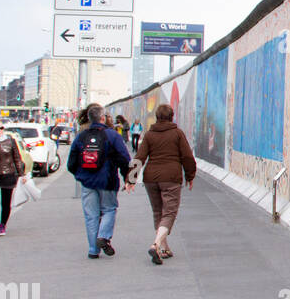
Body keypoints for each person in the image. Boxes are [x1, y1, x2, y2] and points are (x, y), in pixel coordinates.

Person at [130, 103, 196, 265]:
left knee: (157, 212)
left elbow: (140, 157)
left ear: (157, 117)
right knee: (169, 213)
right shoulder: (177, 134)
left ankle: (164, 248)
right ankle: (156, 244)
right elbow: (187, 157)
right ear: (171, 116)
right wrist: (190, 175)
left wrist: (131, 179)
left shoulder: (149, 135)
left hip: (150, 178)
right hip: (171, 178)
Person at [67, 103, 131, 259]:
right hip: (107, 181)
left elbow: (71, 163)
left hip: (88, 183)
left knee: (91, 216)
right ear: (103, 118)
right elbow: (125, 159)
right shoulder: (112, 135)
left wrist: (81, 176)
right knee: (109, 209)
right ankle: (103, 236)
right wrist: (129, 179)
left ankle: (93, 250)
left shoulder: (81, 136)